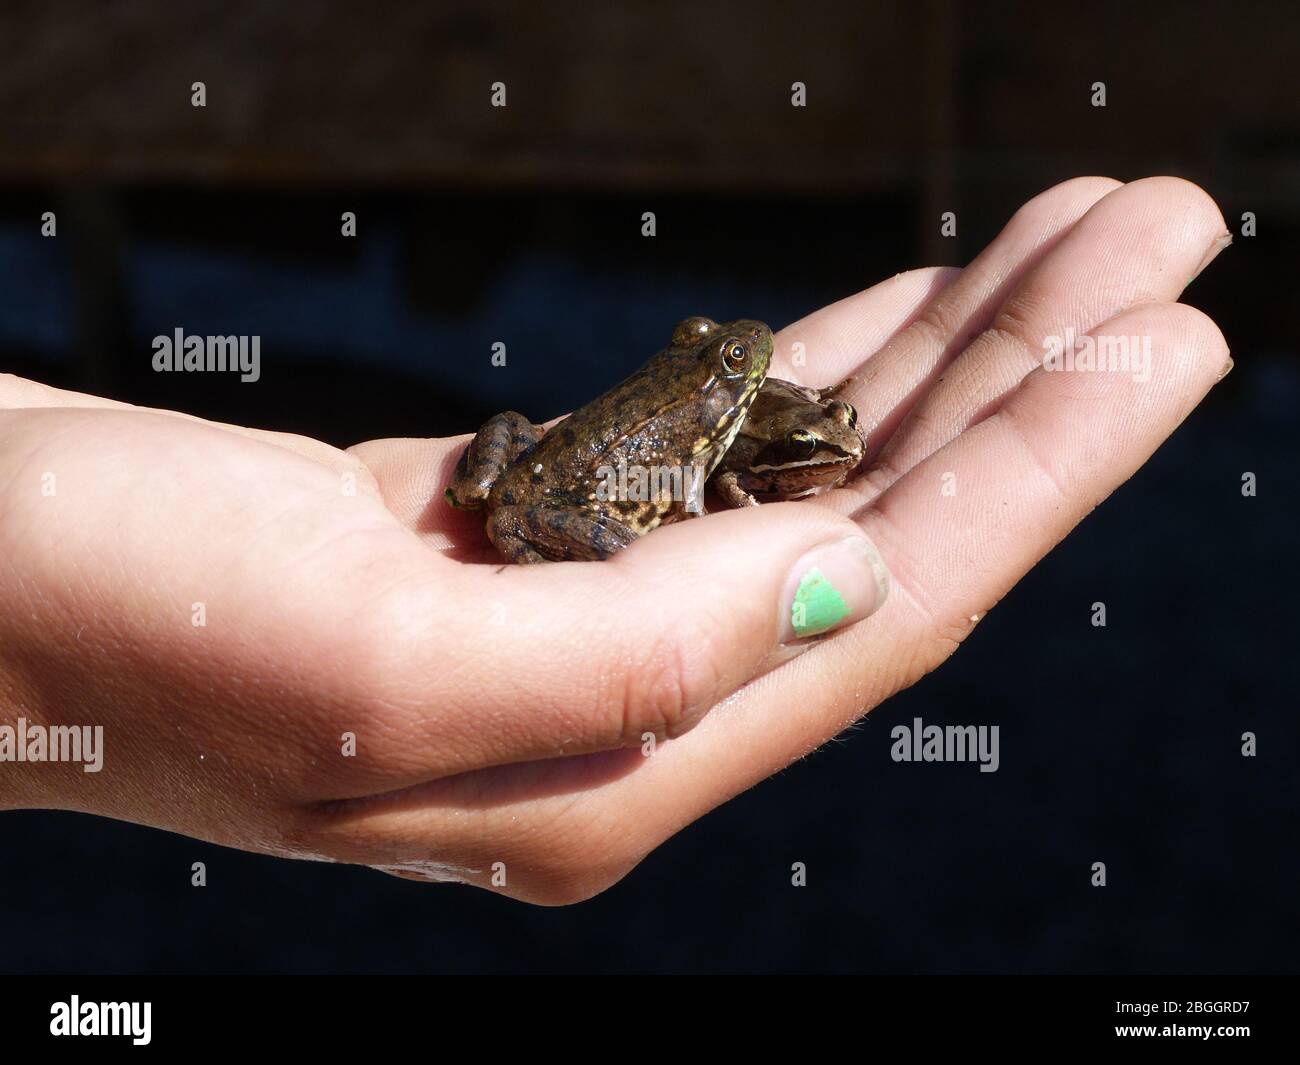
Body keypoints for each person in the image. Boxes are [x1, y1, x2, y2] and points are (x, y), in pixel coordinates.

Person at [0, 176, 1232, 904]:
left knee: (515, 459)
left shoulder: (703, 404)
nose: (742, 360)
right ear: (718, 391)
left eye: (738, 361)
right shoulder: (700, 441)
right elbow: (684, 497)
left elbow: (581, 454)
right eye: (730, 361)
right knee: (606, 521)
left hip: (523, 463)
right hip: (566, 501)